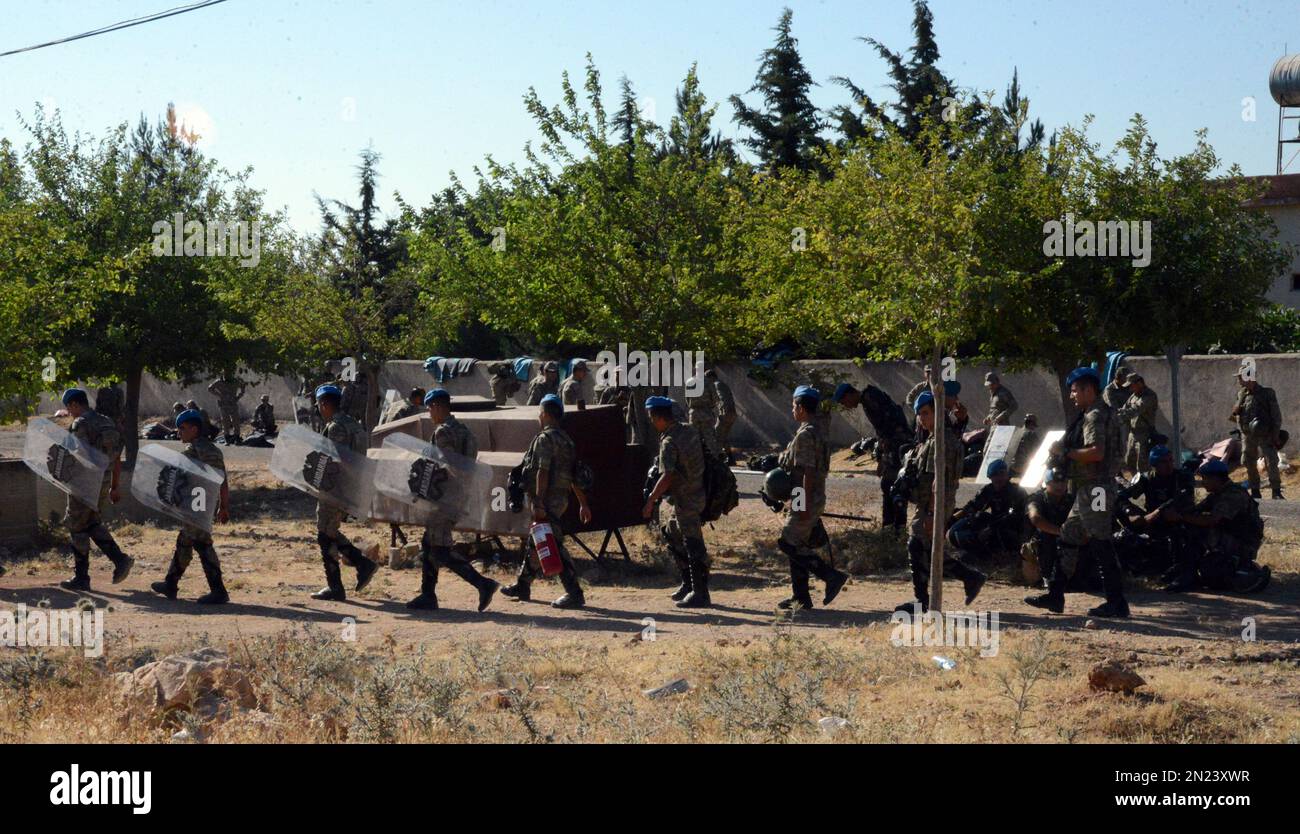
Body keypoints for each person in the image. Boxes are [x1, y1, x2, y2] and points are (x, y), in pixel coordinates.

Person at [406, 389, 499, 611]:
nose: (429, 413)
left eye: (430, 408)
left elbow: (445, 465)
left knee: (439, 549)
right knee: (429, 543)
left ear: (438, 407)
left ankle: (483, 584)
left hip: (444, 497)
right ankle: (428, 595)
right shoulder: (464, 431)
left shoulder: (443, 433)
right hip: (458, 494)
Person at [1049, 366, 1129, 618]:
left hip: (1096, 488)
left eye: (1075, 391)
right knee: (1068, 535)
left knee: (1100, 542)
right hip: (1088, 488)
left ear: (1088, 390)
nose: (1072, 395)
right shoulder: (1102, 413)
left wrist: (1065, 453)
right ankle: (1054, 595)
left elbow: (1096, 452)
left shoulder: (1094, 416)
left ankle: (1116, 602)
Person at [895, 391, 985, 613]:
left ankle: (923, 602)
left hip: (934, 504)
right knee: (926, 548)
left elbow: (940, 482)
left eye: (925, 413)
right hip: (928, 504)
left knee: (917, 545)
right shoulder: (933, 439)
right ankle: (969, 577)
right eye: (919, 414)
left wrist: (932, 514)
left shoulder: (942, 442)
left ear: (937, 413)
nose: (921, 419)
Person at [500, 394, 593, 608]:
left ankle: (574, 593)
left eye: (540, 412)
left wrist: (539, 501)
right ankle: (523, 585)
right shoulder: (566, 440)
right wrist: (583, 503)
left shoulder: (545, 439)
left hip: (547, 500)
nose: (539, 416)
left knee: (554, 545)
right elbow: (574, 475)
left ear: (547, 414)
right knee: (537, 541)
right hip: (561, 499)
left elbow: (542, 471)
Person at [774, 386, 849, 611]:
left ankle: (830, 576)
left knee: (787, 541)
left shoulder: (806, 434)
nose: (792, 409)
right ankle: (801, 598)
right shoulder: (816, 430)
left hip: (804, 495)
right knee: (798, 543)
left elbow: (806, 472)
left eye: (794, 405)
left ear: (802, 408)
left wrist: (802, 504)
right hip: (808, 495)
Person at [150, 409, 231, 604]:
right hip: (194, 502)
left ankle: (218, 591)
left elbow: (220, 480)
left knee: (202, 544)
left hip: (199, 502)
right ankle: (171, 584)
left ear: (194, 429)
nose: (179, 433)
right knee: (185, 541)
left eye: (183, 428)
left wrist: (223, 506)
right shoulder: (200, 448)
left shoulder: (205, 450)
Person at [58, 388, 133, 591]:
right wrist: (114, 486)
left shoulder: (80, 424)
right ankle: (120, 560)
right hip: (103, 481)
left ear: (75, 404)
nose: (69, 412)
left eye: (69, 407)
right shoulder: (107, 422)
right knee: (91, 522)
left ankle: (81, 577)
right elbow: (117, 457)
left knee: (76, 525)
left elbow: (76, 455)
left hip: (84, 482)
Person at [309, 385, 378, 601]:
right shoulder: (354, 425)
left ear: (325, 404)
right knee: (329, 531)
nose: (319, 409)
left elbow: (334, 460)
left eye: (320, 405)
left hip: (335, 488)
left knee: (324, 535)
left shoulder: (337, 427)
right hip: (350, 487)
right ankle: (363, 565)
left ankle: (336, 587)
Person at [1160, 458, 1270, 593]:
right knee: (1184, 527)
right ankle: (1183, 569)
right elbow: (1196, 510)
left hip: (1242, 543)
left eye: (1205, 478)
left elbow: (1211, 520)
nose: (1202, 482)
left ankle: (1188, 576)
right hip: (1229, 537)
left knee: (1196, 532)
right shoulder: (1218, 493)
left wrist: (1181, 517)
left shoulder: (1233, 494)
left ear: (1216, 479)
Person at [642, 395, 712, 607]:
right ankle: (688, 584)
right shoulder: (689, 430)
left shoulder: (669, 441)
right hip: (696, 493)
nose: (651, 422)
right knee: (672, 533)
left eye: (651, 417)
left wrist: (651, 500)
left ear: (658, 417)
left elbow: (667, 476)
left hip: (686, 499)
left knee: (693, 543)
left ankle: (700, 593)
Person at [832, 382, 911, 535]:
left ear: (849, 395)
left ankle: (894, 530)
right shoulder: (870, 398)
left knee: (893, 487)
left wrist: (882, 458)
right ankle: (892, 529)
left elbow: (886, 430)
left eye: (844, 401)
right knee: (891, 487)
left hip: (897, 448)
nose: (845, 405)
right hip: (896, 447)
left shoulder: (870, 399)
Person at [1115, 445, 1193, 582]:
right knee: (1115, 508)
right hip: (1151, 521)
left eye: (1170, 460)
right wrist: (1130, 512)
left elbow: (1182, 499)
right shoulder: (1146, 478)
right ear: (1154, 465)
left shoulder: (1181, 477)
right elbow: (1121, 496)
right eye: (1164, 462)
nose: (1169, 465)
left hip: (1176, 520)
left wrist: (1158, 512)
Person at [947, 459, 1027, 562]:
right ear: (990, 477)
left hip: (1012, 528)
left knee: (996, 531)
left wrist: (990, 528)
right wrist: (951, 520)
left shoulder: (1016, 492)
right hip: (995, 523)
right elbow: (972, 506)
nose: (999, 478)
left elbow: (1013, 516)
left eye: (1002, 474)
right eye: (995, 476)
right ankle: (977, 553)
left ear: (1007, 475)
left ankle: (998, 556)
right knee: (975, 519)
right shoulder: (989, 490)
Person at [1023, 467, 1076, 612]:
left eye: (1063, 482)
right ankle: (1049, 581)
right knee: (1045, 537)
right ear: (1046, 483)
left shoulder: (1071, 500)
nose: (1059, 486)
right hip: (1044, 546)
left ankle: (1057, 592)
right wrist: (1060, 532)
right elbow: (1035, 518)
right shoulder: (1037, 498)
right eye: (1055, 482)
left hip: (1069, 547)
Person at [1231, 370, 1284, 499]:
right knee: (1249, 462)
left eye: (1240, 378)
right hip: (1248, 435)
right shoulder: (1241, 394)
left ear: (1249, 378)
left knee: (1271, 461)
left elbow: (1276, 415)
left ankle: (1276, 491)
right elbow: (1237, 414)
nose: (1238, 381)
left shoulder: (1267, 393)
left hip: (1265, 434)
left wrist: (1275, 434)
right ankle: (1255, 490)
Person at [1105, 370, 1159, 475]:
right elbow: (1124, 408)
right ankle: (1136, 484)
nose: (1130, 389)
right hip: (1132, 434)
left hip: (1144, 435)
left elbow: (1134, 410)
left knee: (1142, 466)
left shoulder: (1149, 396)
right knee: (1129, 463)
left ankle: (1145, 487)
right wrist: (1114, 414)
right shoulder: (1133, 395)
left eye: (1132, 386)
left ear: (1139, 384)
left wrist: (1117, 417)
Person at [686, 375, 722, 461]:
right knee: (709, 438)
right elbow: (715, 398)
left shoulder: (690, 381)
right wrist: (710, 407)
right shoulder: (708, 382)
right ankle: (714, 461)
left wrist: (693, 407)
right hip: (706, 413)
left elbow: (687, 399)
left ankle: (694, 460)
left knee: (694, 438)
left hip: (694, 413)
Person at [707, 369, 737, 462]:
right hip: (732, 413)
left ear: (711, 377)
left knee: (715, 436)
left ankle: (716, 459)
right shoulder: (722, 384)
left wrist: (723, 412)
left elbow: (722, 398)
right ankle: (730, 458)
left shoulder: (716, 384)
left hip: (726, 413)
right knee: (723, 437)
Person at [207, 376, 247, 445]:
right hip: (223, 405)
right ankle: (227, 439)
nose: (227, 374)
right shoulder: (219, 381)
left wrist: (238, 396)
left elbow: (243, 386)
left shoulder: (235, 381)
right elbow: (210, 388)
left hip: (233, 404)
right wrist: (219, 395)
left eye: (229, 373)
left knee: (236, 421)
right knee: (225, 422)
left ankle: (237, 438)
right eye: (226, 373)